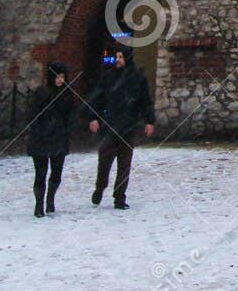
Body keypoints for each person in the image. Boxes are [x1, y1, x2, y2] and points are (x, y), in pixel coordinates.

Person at [86, 46, 155, 210]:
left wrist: (149, 121)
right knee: (104, 160)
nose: (118, 60)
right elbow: (98, 98)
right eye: (116, 57)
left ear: (127, 59)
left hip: (129, 126)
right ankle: (100, 187)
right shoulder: (108, 78)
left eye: (121, 57)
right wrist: (94, 117)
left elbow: (145, 101)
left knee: (124, 164)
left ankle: (119, 197)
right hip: (111, 125)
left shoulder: (138, 79)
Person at [25, 60, 76, 217]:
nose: (60, 80)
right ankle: (39, 204)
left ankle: (50, 199)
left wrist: (66, 129)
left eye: (62, 76)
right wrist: (41, 130)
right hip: (41, 138)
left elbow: (71, 116)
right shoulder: (41, 94)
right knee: (40, 173)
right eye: (57, 76)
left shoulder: (67, 94)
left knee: (56, 173)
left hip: (59, 137)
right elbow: (33, 115)